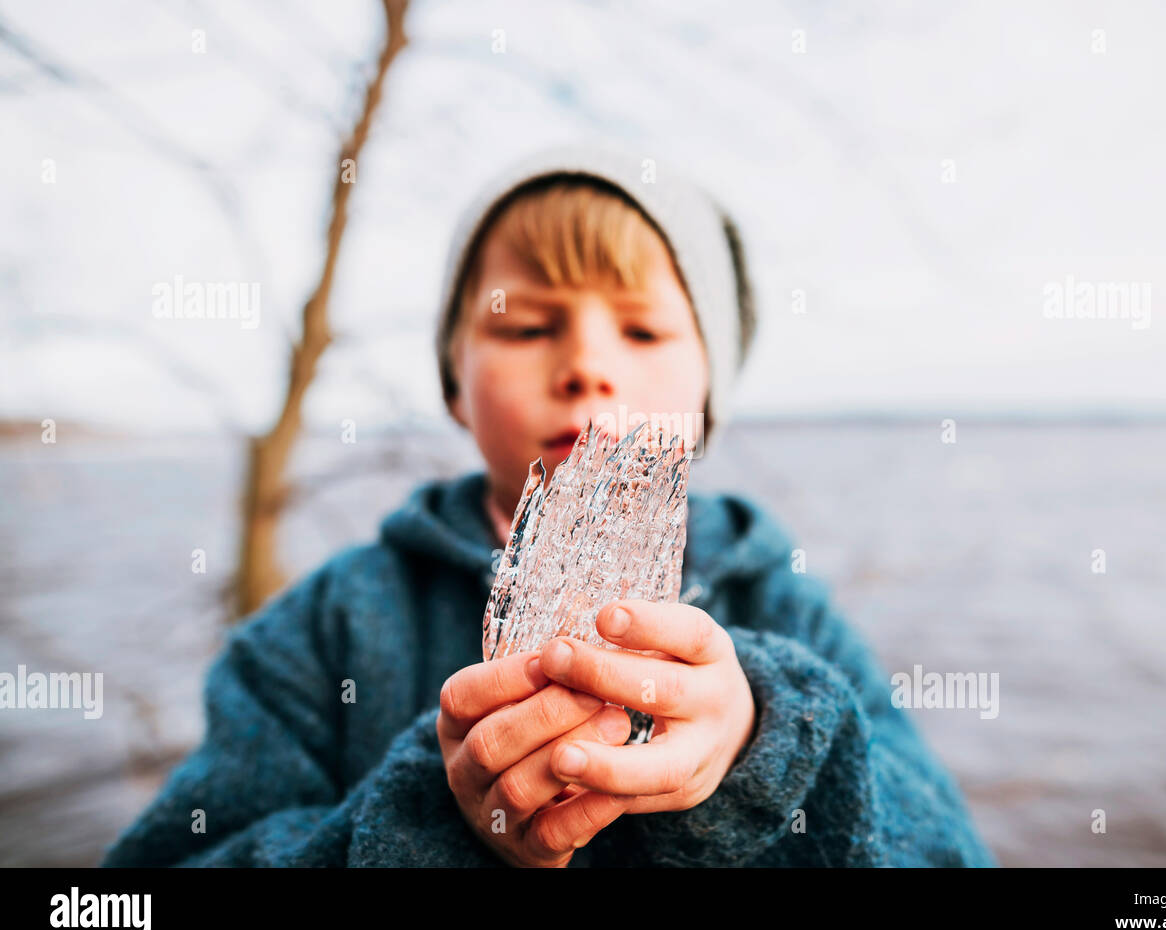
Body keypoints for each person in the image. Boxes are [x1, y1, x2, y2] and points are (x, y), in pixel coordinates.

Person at [101, 142, 998, 867]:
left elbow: (943, 848)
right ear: (456, 384)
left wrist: (762, 746)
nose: (585, 366)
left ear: (709, 395)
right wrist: (434, 817)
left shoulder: (786, 612)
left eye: (643, 329)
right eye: (525, 326)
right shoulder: (327, 626)